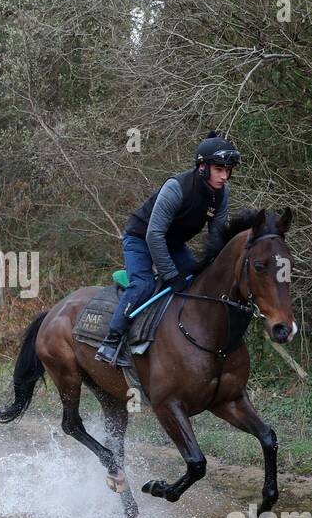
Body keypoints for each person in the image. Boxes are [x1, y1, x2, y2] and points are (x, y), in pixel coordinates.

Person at [95, 131, 238, 365]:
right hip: (140, 238)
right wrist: (171, 275)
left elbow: (217, 238)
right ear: (202, 167)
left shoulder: (221, 194)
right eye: (219, 169)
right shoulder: (177, 187)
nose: (224, 176)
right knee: (144, 285)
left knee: (197, 281)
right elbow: (154, 235)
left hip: (172, 244)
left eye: (228, 171)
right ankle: (111, 340)